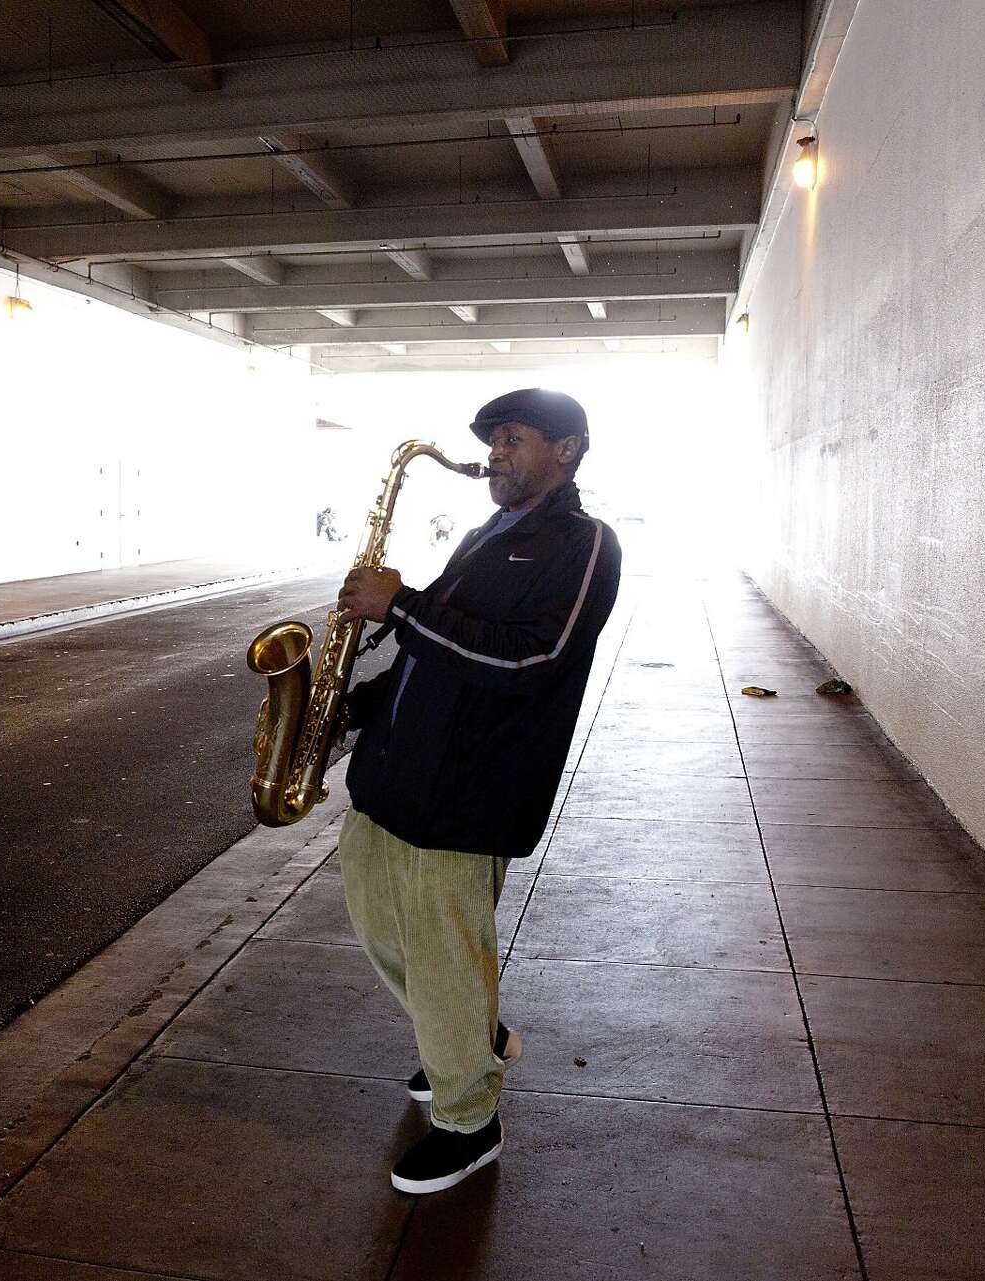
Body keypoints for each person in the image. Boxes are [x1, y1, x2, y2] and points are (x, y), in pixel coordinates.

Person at [333, 388, 621, 1195]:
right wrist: (352, 712)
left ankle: (468, 1118)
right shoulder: (484, 533)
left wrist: (406, 603)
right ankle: (472, 1028)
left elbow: (535, 661)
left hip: (467, 791)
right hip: (394, 772)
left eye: (512, 439)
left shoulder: (586, 542)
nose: (495, 452)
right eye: (493, 440)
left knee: (439, 943)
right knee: (379, 925)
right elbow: (432, 653)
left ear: (565, 450)